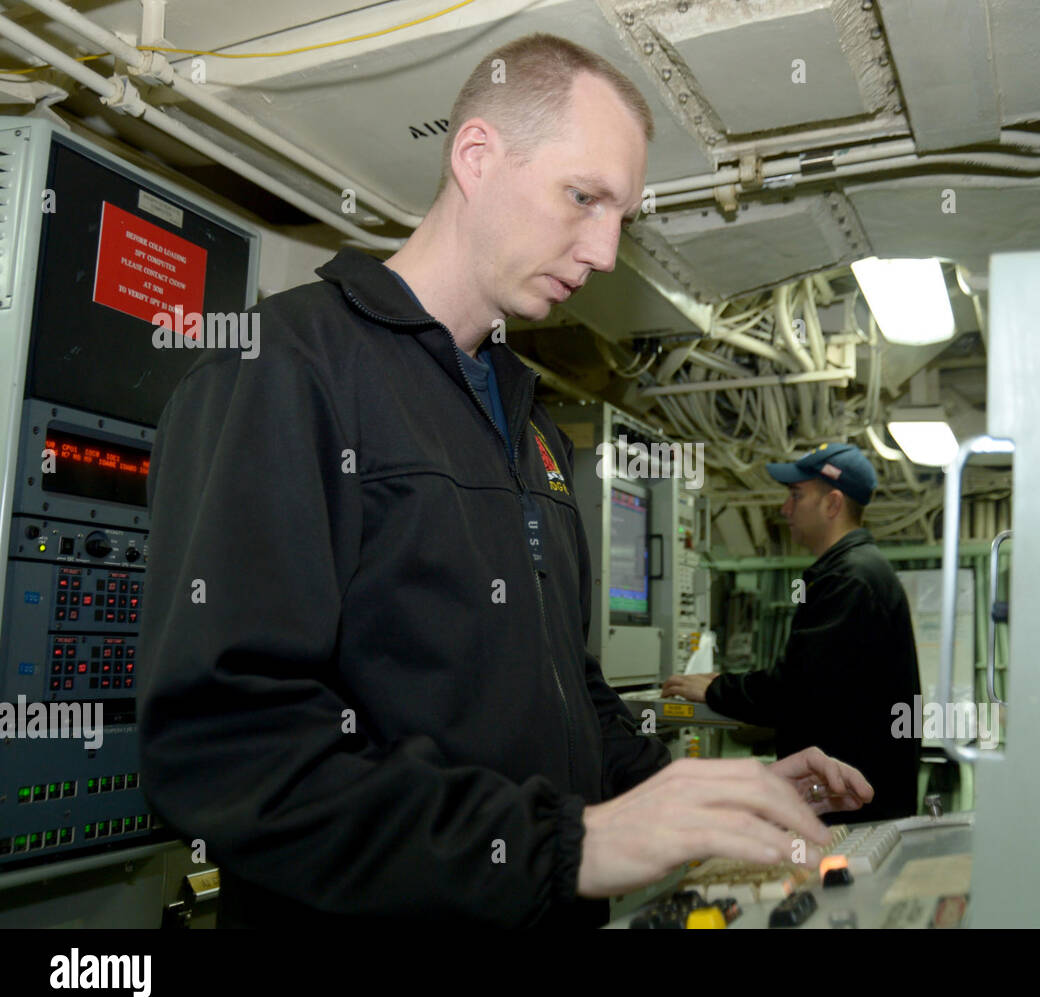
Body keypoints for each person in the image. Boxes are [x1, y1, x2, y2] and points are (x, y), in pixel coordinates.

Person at [137, 33, 871, 930]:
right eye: (582, 197)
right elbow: (226, 754)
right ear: (477, 156)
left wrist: (710, 793)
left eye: (621, 217)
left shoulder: (530, 432)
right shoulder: (284, 369)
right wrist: (569, 848)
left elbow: (573, 700)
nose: (604, 250)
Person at [662, 443, 922, 823]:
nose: (785, 508)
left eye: (796, 495)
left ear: (833, 504)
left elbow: (799, 692)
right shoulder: (856, 571)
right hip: (856, 800)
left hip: (850, 807)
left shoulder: (849, 578)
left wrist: (716, 689)